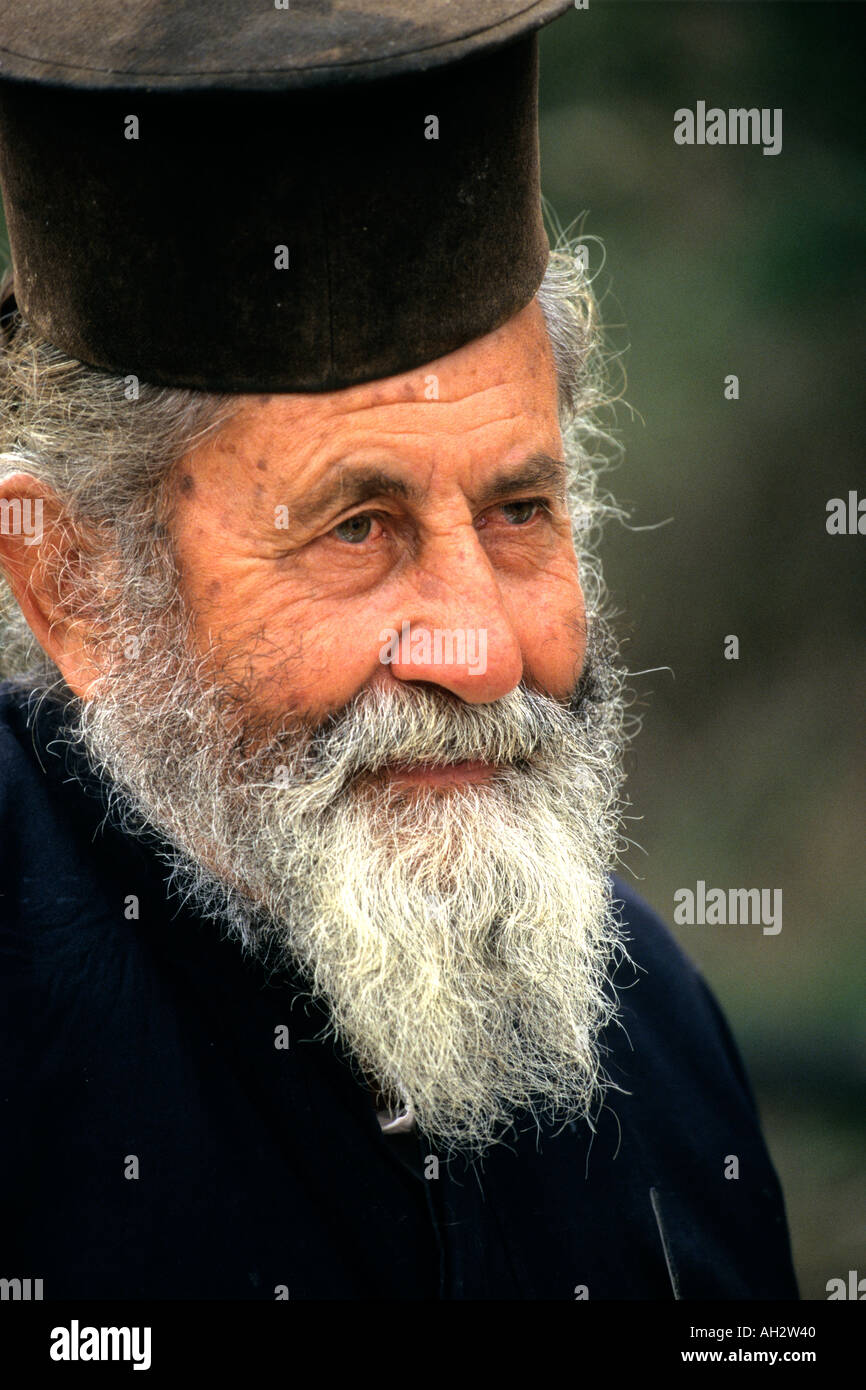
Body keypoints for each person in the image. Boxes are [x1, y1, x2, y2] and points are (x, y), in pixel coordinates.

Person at [0, 1, 797, 1299]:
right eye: (356, 527)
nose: (477, 650)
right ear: (73, 582)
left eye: (518, 511)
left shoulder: (655, 1032)